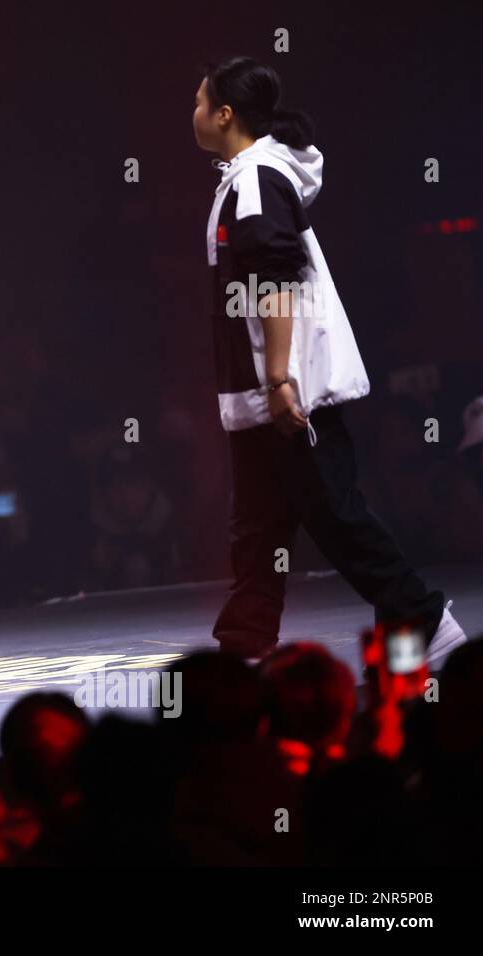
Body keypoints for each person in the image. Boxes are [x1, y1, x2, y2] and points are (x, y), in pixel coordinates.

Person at [191, 56, 470, 669]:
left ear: (225, 113)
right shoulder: (246, 176)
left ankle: (423, 620)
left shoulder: (257, 178)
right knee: (259, 527)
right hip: (264, 394)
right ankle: (244, 646)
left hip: (290, 389)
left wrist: (280, 377)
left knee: (336, 516)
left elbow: (278, 277)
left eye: (199, 102)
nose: (194, 113)